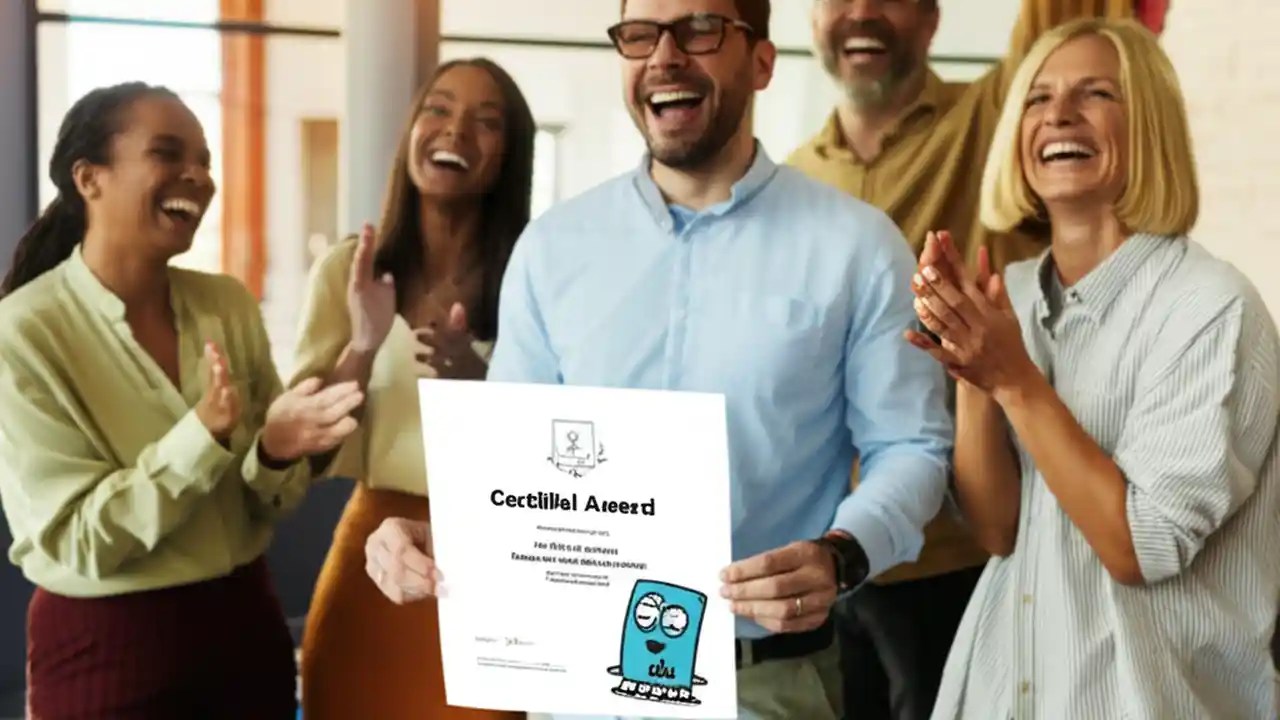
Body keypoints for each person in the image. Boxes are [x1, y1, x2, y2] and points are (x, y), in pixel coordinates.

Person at [365, 1, 954, 718]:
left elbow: (911, 448)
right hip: (575, 684)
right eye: (640, 35)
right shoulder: (553, 249)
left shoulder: (857, 248)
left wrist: (843, 552)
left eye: (700, 30)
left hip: (762, 685)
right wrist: (442, 538)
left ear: (761, 62)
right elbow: (517, 470)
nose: (664, 56)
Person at [788, 1, 1164, 716]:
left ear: (932, 20)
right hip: (826, 547)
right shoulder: (794, 177)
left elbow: (1069, 23)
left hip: (956, 544)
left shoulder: (999, 111)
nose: (862, 12)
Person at [908, 18, 1280, 719]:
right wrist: (971, 371)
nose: (1058, 116)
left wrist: (1011, 377)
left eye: (1095, 94)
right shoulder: (1011, 294)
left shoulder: (1211, 309)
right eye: (1037, 98)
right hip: (999, 694)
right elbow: (996, 532)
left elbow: (1140, 546)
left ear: (1151, 125)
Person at [0, 82, 362, 719]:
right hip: (105, 646)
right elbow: (79, 542)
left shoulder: (226, 303)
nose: (196, 176)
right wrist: (201, 437)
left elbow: (262, 504)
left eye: (205, 161)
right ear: (89, 178)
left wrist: (275, 451)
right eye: (168, 154)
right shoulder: (24, 332)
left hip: (244, 627)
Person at [290, 58, 535, 720]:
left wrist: (480, 386)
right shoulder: (349, 268)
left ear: (511, 155)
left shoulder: (536, 275)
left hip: (491, 562)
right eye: (438, 109)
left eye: (487, 122)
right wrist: (364, 345)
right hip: (372, 563)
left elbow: (564, 445)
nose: (456, 129)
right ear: (410, 132)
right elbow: (302, 451)